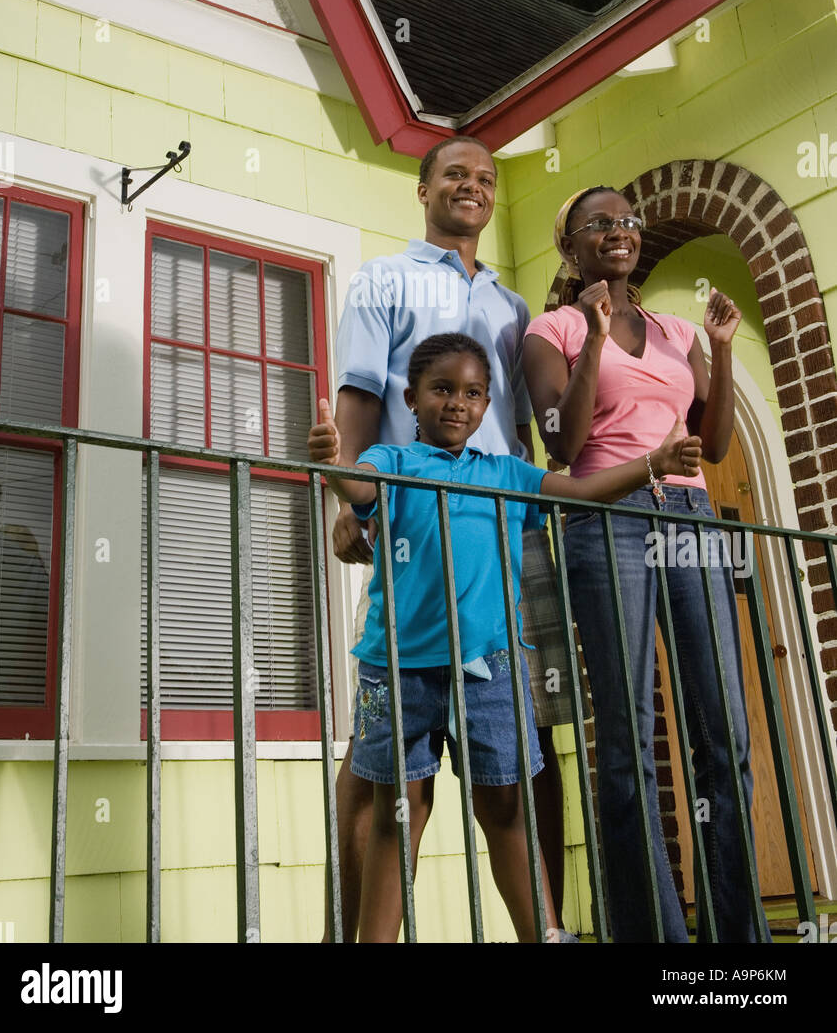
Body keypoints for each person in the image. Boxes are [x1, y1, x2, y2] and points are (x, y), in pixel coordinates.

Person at [308, 330, 702, 943]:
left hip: (491, 669)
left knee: (506, 807)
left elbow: (581, 489)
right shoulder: (392, 462)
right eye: (441, 390)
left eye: (473, 393)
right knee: (397, 811)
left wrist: (655, 464)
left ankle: (541, 933)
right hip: (396, 670)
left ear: (487, 405)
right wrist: (332, 464)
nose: (457, 403)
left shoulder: (507, 475)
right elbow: (358, 491)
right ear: (412, 398)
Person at [326, 136, 567, 940]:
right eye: (455, 174)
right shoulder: (383, 279)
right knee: (387, 763)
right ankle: (355, 933)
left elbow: (524, 430)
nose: (472, 186)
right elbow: (358, 395)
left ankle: (549, 929)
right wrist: (349, 504)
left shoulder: (510, 305)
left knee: (525, 742)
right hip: (416, 536)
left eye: (486, 178)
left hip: (504, 528)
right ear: (423, 187)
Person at [523, 185, 771, 943]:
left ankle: (740, 940)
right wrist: (595, 340)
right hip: (607, 520)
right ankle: (652, 935)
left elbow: (719, 443)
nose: (620, 231)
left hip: (689, 515)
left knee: (723, 728)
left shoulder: (673, 330)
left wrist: (722, 350)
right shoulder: (551, 330)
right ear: (571, 247)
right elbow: (562, 442)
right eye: (600, 223)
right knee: (628, 734)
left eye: (628, 219)